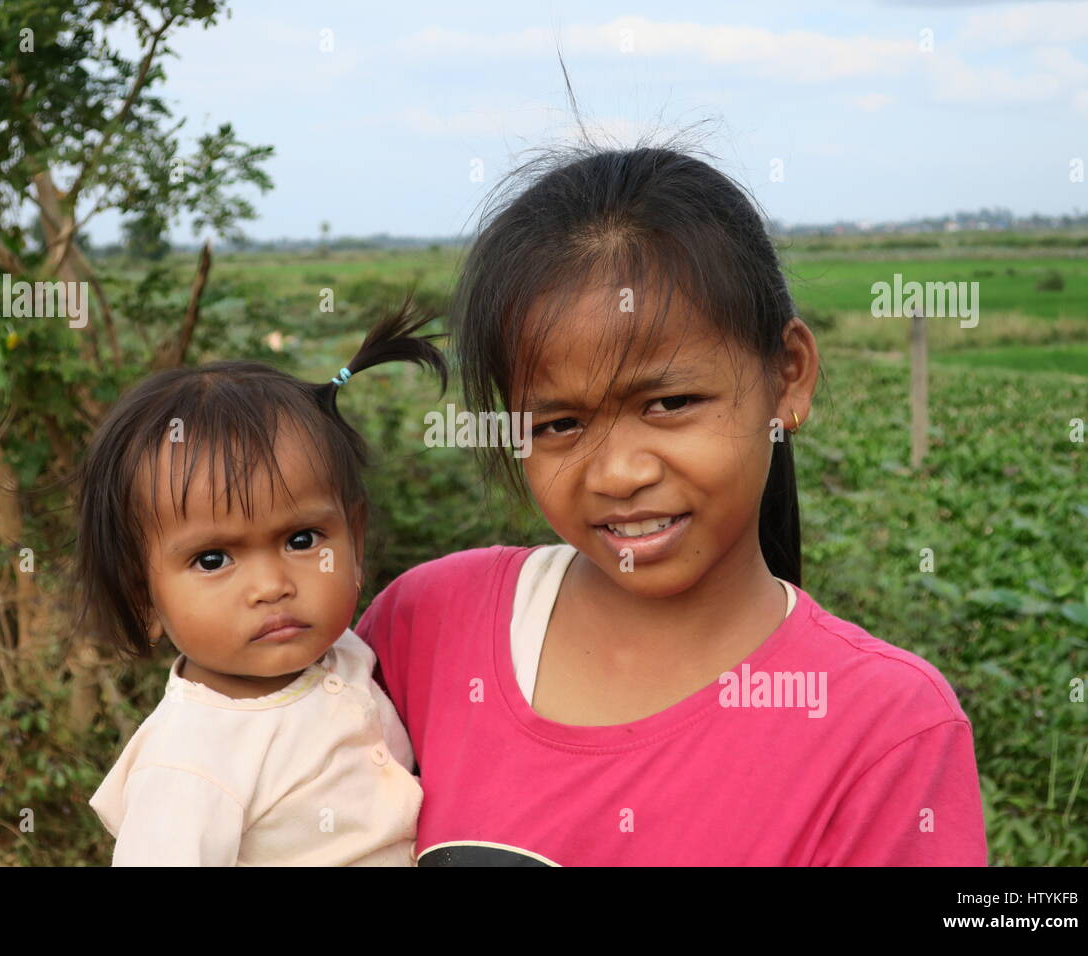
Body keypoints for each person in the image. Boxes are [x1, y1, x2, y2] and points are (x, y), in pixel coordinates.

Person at [355, 143, 989, 866]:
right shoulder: (425, 628)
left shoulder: (887, 729)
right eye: (559, 424)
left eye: (671, 403)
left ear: (789, 377)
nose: (619, 473)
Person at [73, 300, 445, 866]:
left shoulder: (345, 655)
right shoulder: (192, 764)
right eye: (213, 559)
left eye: (301, 541)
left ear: (355, 540)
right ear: (141, 594)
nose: (272, 586)